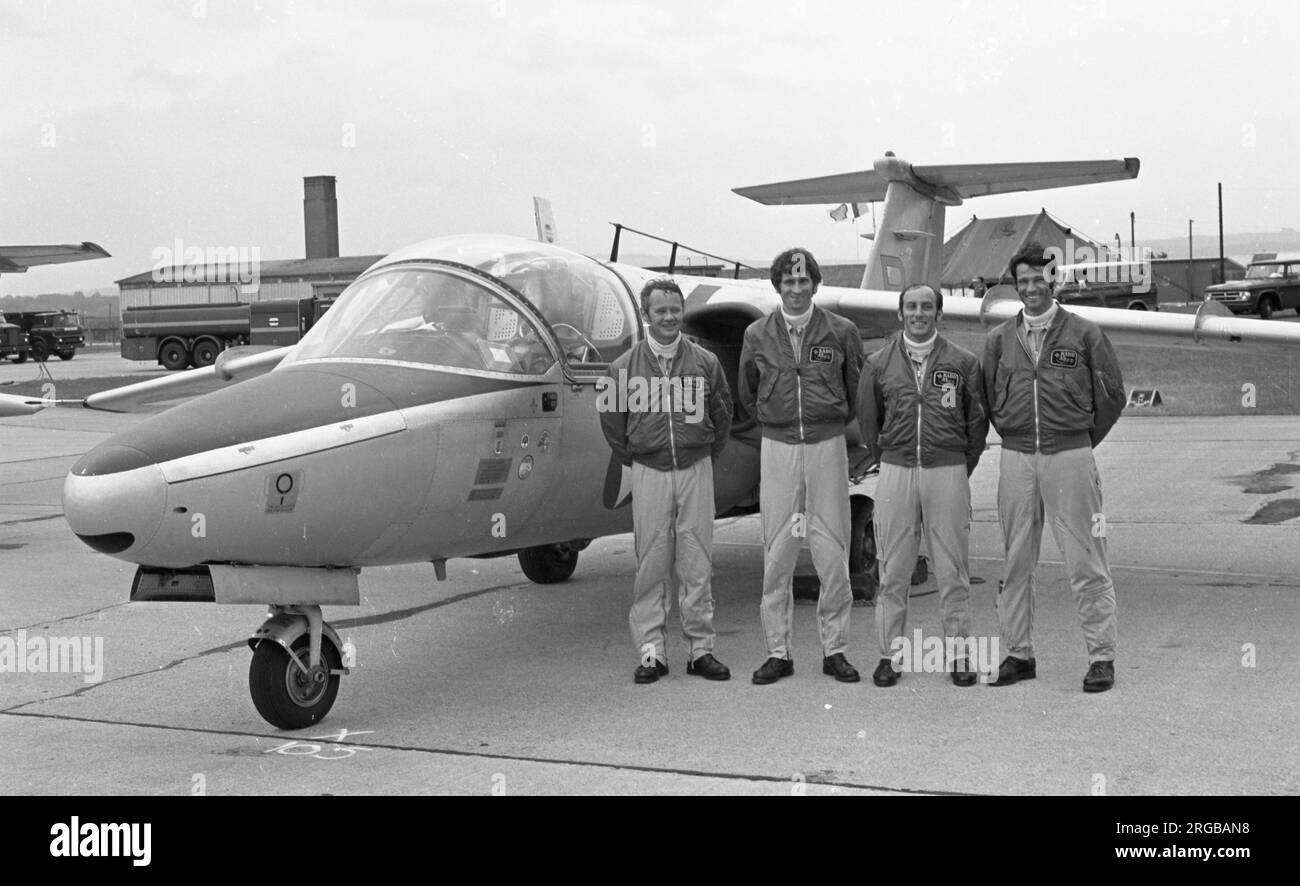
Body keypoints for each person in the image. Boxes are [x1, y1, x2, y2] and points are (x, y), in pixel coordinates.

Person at [983, 244, 1126, 692]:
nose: (1031, 288)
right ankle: (1018, 654)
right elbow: (989, 396)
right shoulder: (999, 339)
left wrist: (1077, 442)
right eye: (1023, 281)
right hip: (1018, 458)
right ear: (1016, 284)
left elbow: (1112, 396)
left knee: (1085, 558)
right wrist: (1019, 436)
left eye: (1039, 280)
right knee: (1016, 559)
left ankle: (1101, 657)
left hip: (1070, 457)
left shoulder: (1084, 333)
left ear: (1054, 280)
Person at [599, 278, 734, 684]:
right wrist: (642, 455)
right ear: (647, 315)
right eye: (661, 310)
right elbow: (611, 425)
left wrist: (701, 452)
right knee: (652, 563)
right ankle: (651, 653)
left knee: (697, 563)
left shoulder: (706, 363)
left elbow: (723, 414)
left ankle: (700, 650)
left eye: (675, 309)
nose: (670, 317)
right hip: (650, 471)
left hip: (695, 468)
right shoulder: (620, 369)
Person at [739, 248, 863, 684]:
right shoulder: (757, 335)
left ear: (815, 284)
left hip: (827, 445)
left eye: (803, 280)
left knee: (832, 548)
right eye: (788, 282)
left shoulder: (842, 332)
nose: (796, 289)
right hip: (778, 447)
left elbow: (855, 390)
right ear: (778, 286)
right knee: (778, 548)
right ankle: (778, 651)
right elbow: (747, 392)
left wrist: (826, 421)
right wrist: (780, 423)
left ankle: (836, 649)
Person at [857, 284, 988, 687]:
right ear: (900, 314)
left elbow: (976, 423)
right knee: (892, 569)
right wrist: (891, 461)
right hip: (896, 470)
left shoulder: (964, 363)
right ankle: (889, 655)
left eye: (926, 307)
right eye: (911, 306)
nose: (918, 313)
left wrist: (955, 466)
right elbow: (868, 421)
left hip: (946, 470)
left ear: (938, 314)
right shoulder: (878, 364)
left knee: (952, 570)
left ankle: (960, 654)